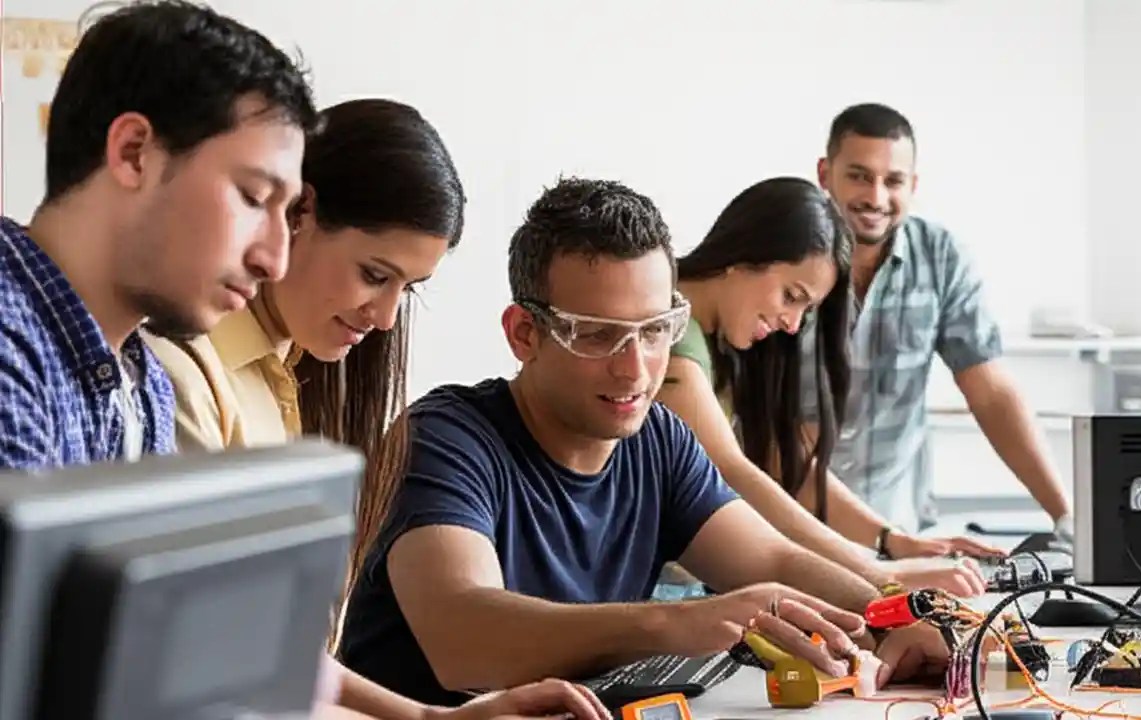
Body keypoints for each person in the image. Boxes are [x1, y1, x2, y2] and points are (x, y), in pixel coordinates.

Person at [336, 177, 950, 708]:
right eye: (598, 336)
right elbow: (463, 639)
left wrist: (897, 616)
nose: (635, 371)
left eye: (655, 332)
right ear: (525, 333)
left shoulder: (657, 439)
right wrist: (679, 622)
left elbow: (771, 561)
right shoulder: (445, 439)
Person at [143, 97, 607, 720]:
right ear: (298, 211)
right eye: (373, 274)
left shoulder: (287, 380)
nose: (386, 317)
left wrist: (432, 718)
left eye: (406, 289)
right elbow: (216, 668)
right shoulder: (181, 376)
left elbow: (281, 654)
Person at [0, 0, 313, 472]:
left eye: (285, 212)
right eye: (252, 197)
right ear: (134, 153)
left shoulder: (147, 388)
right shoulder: (9, 346)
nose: (275, 262)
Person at [659, 177, 999, 599]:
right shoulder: (670, 336)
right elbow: (731, 471)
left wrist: (891, 542)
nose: (793, 323)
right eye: (791, 295)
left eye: (806, 308)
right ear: (743, 258)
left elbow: (790, 465)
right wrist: (879, 575)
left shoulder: (723, 341)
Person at [801, 102, 1072, 541]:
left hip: (899, 529)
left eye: (893, 181)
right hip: (791, 527)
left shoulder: (942, 256)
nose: (875, 197)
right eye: (858, 175)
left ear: (913, 184)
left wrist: (1067, 516)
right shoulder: (786, 252)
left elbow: (990, 392)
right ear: (824, 172)